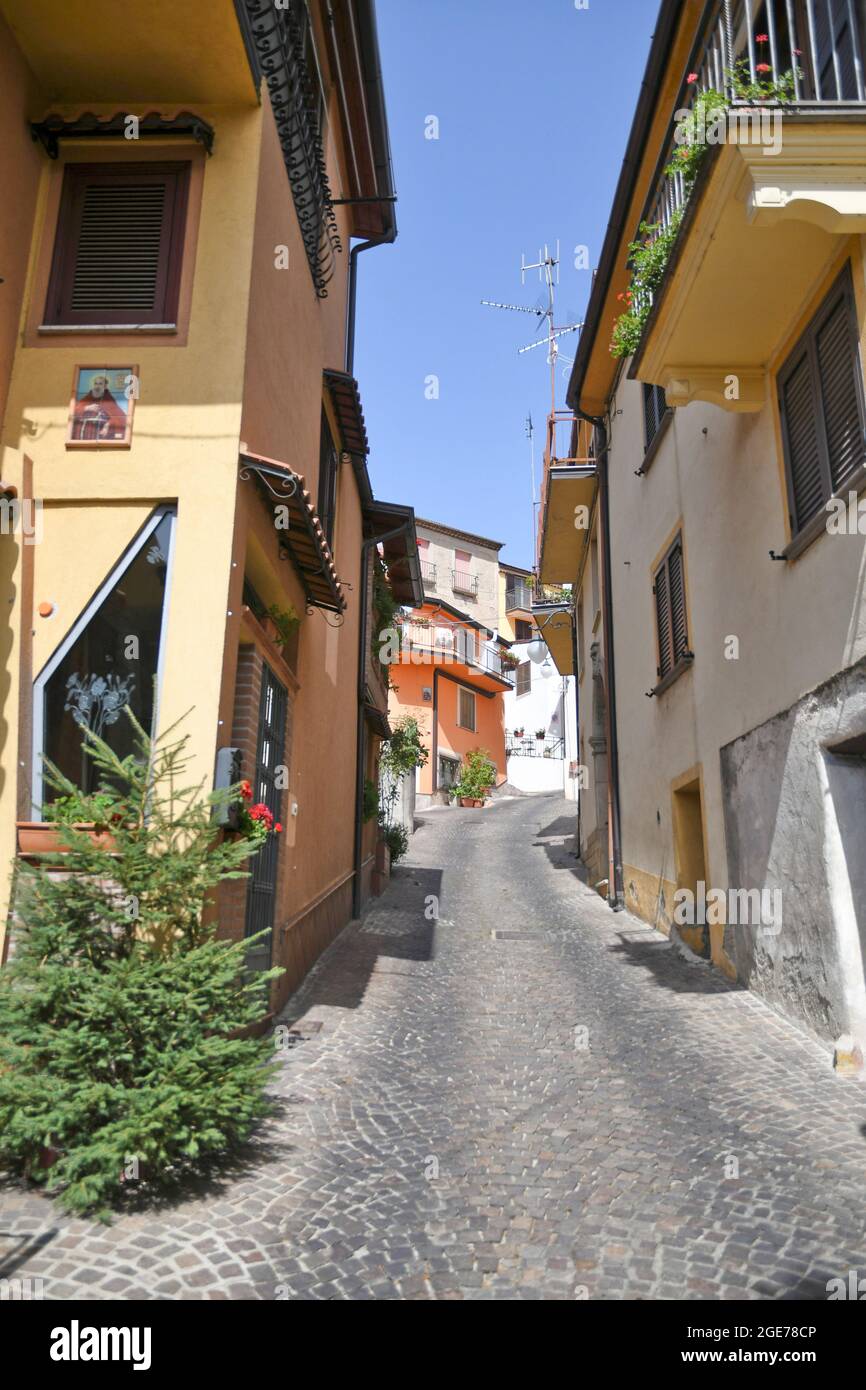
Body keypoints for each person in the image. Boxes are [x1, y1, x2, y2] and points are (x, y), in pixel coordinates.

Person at [71, 374, 128, 441]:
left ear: (105, 386)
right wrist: (86, 408)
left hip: (97, 436)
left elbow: (121, 418)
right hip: (80, 437)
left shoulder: (109, 400)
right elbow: (72, 413)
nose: (97, 386)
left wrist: (108, 424)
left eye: (100, 384)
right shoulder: (86, 399)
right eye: (96, 384)